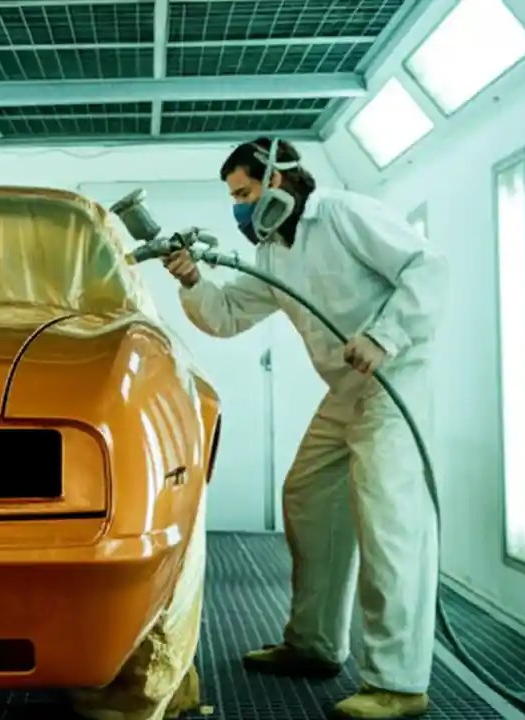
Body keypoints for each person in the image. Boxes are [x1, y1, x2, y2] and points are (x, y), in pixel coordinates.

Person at [163, 137, 447, 719]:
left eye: (244, 193)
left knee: (387, 524)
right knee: (307, 496)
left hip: (396, 384)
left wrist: (385, 336)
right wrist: (192, 281)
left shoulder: (342, 213)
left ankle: (399, 682)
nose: (240, 209)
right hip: (345, 392)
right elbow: (227, 315)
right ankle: (315, 645)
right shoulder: (273, 253)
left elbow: (427, 266)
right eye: (234, 200)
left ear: (279, 178)